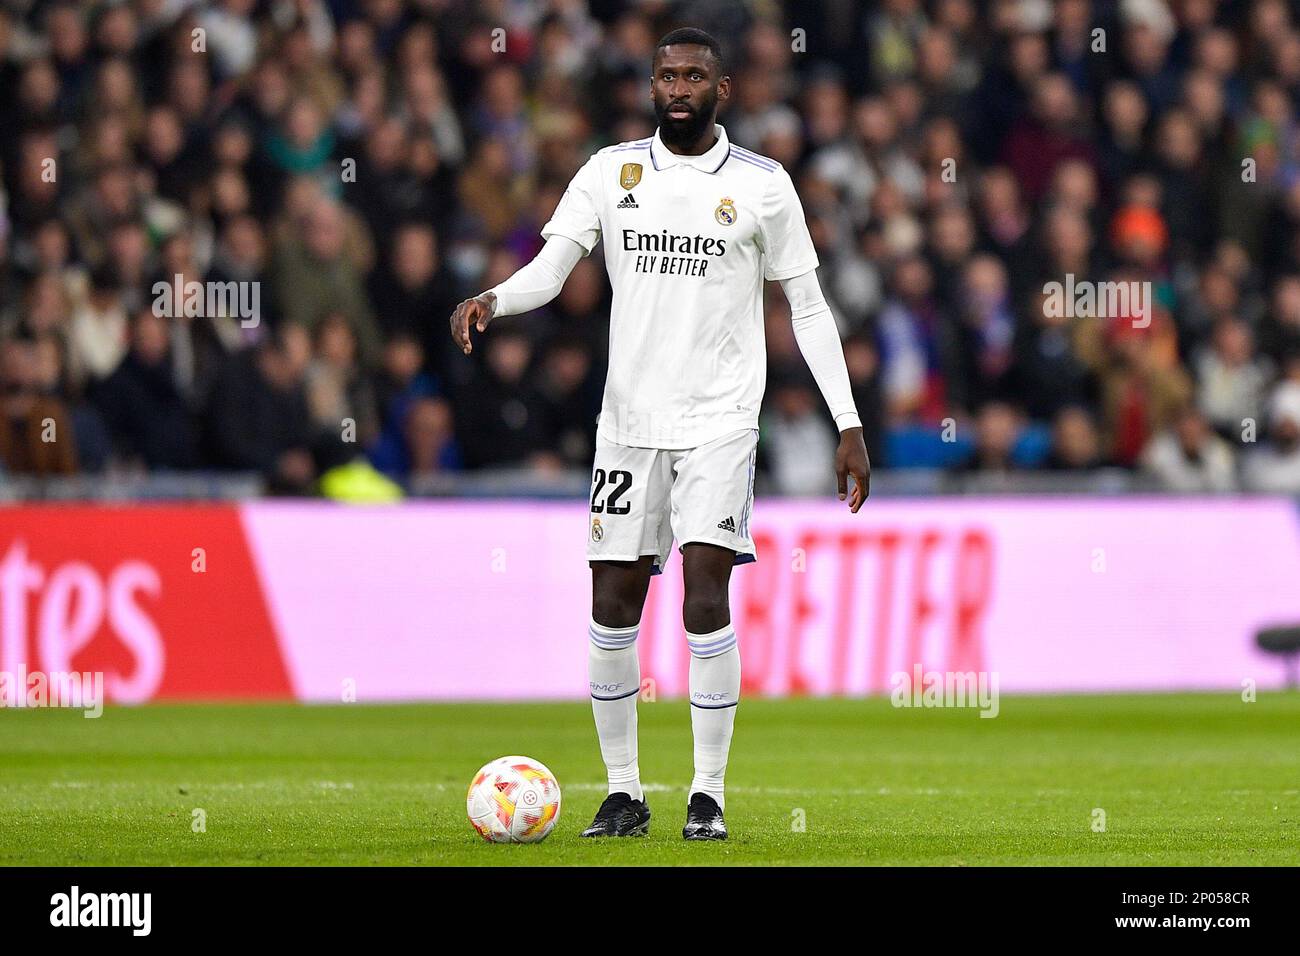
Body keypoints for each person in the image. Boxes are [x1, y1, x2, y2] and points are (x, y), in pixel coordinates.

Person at [449, 28, 869, 841]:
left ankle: (706, 793)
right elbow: (551, 268)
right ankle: (623, 792)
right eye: (666, 75)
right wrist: (492, 300)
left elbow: (808, 307)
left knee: (705, 596)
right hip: (627, 425)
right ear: (652, 85)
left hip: (719, 423)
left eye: (694, 76)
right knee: (613, 605)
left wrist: (847, 422)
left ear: (724, 88)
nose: (678, 87)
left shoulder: (763, 185)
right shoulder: (609, 172)